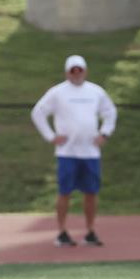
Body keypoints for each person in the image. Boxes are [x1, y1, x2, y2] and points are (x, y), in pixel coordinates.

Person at [31, 55, 117, 247]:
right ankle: (62, 232)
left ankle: (90, 231)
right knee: (65, 192)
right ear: (67, 72)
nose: (76, 73)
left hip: (91, 152)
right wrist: (51, 136)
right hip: (67, 153)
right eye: (73, 70)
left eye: (80, 70)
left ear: (85, 71)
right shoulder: (58, 92)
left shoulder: (96, 92)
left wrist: (105, 133)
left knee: (91, 193)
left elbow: (110, 112)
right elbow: (38, 112)